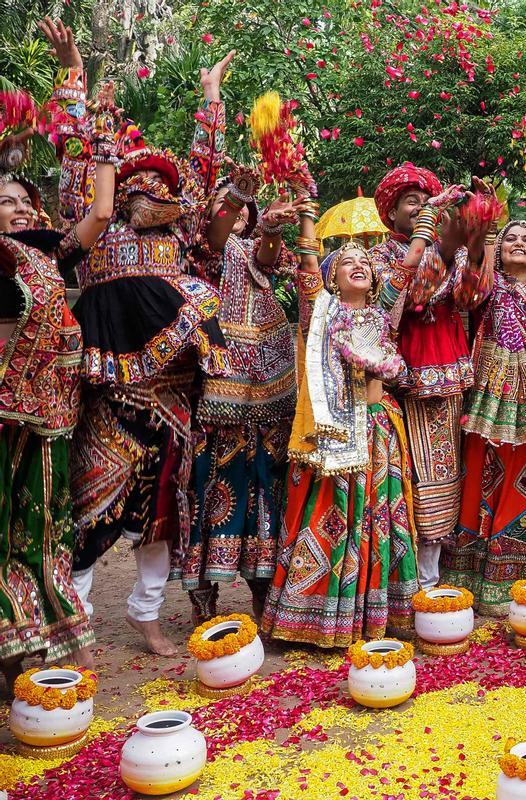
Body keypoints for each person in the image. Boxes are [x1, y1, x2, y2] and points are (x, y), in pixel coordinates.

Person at [45, 17, 234, 656]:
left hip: (175, 395)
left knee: (163, 518)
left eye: (162, 186)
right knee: (93, 512)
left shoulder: (181, 241)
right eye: (137, 183)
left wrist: (211, 100)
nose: (152, 191)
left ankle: (146, 615)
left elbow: (207, 176)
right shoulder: (96, 228)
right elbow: (74, 155)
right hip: (113, 394)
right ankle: (77, 621)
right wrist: (73, 73)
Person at [0, 77, 118, 674]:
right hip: (6, 420)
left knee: (42, 532)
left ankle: (34, 644)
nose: (20, 208)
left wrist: (95, 125)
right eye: (7, 201)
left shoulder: (47, 255)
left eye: (25, 200)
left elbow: (101, 210)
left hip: (51, 423)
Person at [260, 235, 419, 647]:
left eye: (365, 259)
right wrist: (306, 207)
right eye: (347, 261)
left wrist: (427, 218)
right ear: (332, 278)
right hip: (332, 433)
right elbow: (308, 269)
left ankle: (370, 616)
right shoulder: (322, 314)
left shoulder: (380, 315)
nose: (359, 264)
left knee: (376, 522)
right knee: (329, 517)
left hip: (375, 427)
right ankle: (314, 618)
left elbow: (407, 267)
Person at [178, 164, 303, 623]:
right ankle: (203, 594)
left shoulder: (255, 248)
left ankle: (262, 588)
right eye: (228, 205)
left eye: (243, 204)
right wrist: (233, 194)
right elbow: (214, 237)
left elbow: (268, 257)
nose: (235, 211)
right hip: (220, 390)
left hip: (269, 391)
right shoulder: (207, 252)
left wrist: (270, 226)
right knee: (212, 484)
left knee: (267, 488)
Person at [370, 164, 487, 589]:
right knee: (409, 475)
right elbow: (411, 298)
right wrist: (438, 238)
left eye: (426, 202)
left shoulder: (449, 252)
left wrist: (475, 239)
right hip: (400, 380)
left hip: (450, 373)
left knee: (442, 471)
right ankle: (405, 581)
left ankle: (430, 577)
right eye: (411, 202)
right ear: (392, 211)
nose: (421, 208)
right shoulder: (381, 257)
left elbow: (473, 297)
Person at [440, 219, 526, 615]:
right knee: (479, 475)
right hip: (486, 402)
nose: (519, 243)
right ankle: (473, 576)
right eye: (510, 238)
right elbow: (469, 286)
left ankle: (520, 577)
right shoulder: (486, 287)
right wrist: (484, 231)